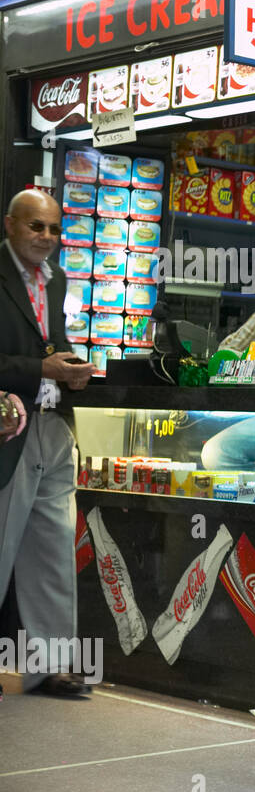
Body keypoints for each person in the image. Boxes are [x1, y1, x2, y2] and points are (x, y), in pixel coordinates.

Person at [0, 189, 94, 698]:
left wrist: (70, 366)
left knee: (54, 548)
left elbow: (49, 346)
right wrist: (41, 368)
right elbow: (31, 359)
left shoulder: (53, 284)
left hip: (53, 424)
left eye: (55, 229)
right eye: (37, 227)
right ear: (11, 224)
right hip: (7, 428)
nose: (47, 238)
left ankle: (48, 667)